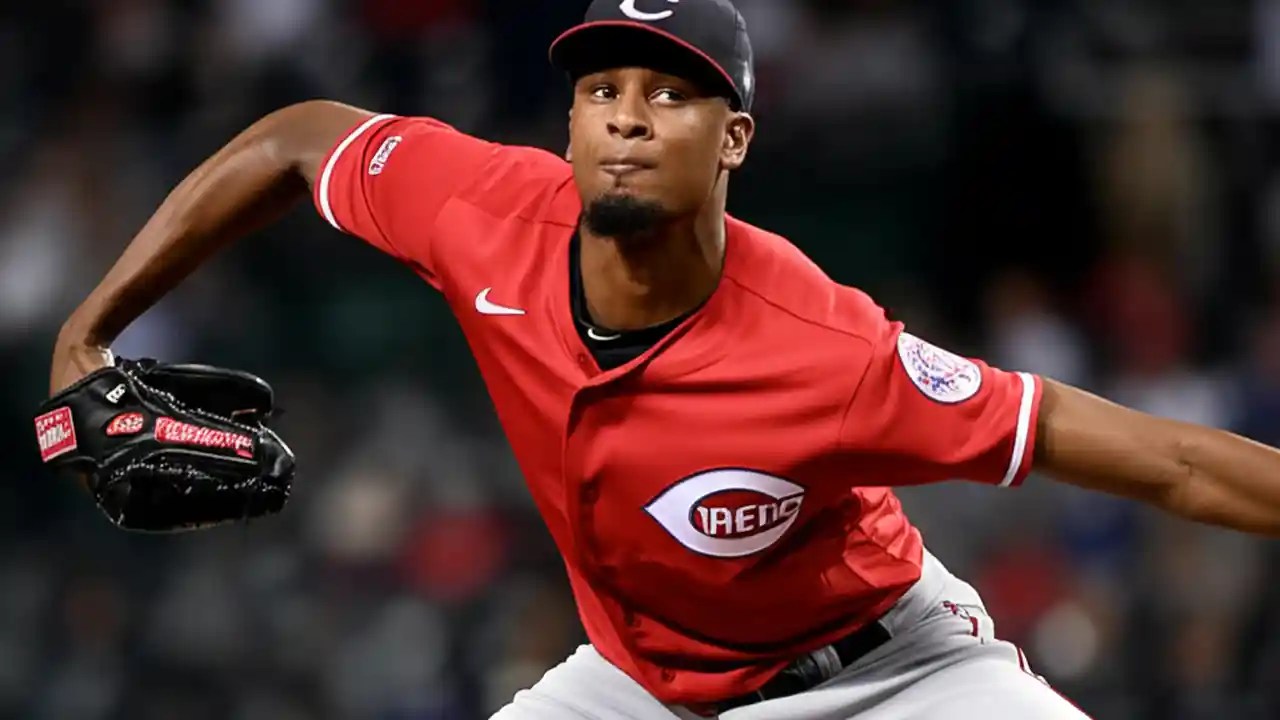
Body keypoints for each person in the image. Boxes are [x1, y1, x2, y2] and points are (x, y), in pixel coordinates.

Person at [46, 0, 1280, 718]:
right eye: (602, 88)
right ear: (569, 120)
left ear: (733, 137)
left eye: (670, 94)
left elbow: (1162, 461)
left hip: (880, 679)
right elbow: (293, 142)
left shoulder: (821, 347)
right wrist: (82, 336)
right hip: (637, 689)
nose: (627, 115)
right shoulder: (481, 211)